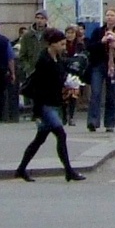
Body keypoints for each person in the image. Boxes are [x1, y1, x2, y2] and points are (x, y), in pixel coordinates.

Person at [15, 27, 84, 182]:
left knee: (39, 139)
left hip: (53, 103)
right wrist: (37, 112)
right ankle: (69, 171)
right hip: (45, 105)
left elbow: (60, 76)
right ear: (52, 44)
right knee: (61, 134)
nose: (63, 47)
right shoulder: (44, 61)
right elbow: (39, 87)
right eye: (61, 44)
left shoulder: (56, 59)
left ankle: (20, 169)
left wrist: (70, 81)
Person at [0, 19, 18, 124]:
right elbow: (10, 58)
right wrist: (13, 73)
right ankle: (1, 116)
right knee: (1, 93)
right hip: (2, 70)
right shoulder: (4, 40)